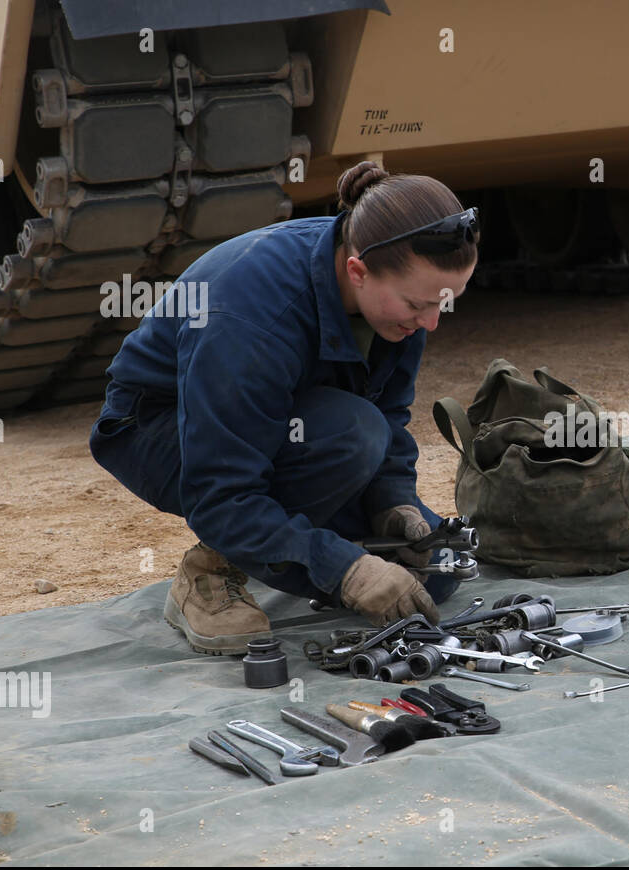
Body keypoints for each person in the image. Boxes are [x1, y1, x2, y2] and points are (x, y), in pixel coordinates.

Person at [88, 160, 477, 655]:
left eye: (445, 302)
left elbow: (391, 412)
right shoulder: (249, 321)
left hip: (289, 418)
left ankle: (291, 542)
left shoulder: (401, 297)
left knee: (433, 574)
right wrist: (346, 568)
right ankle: (209, 571)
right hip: (161, 429)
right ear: (357, 270)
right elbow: (222, 492)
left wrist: (392, 503)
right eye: (419, 305)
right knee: (353, 436)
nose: (431, 322)